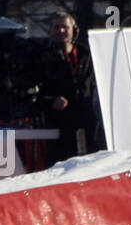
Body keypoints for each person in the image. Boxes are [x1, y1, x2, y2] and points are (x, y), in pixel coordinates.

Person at [37, 10, 100, 162]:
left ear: (74, 30)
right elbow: (32, 94)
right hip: (58, 125)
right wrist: (51, 101)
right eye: (56, 27)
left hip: (86, 121)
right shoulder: (42, 57)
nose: (61, 31)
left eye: (65, 27)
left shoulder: (88, 55)